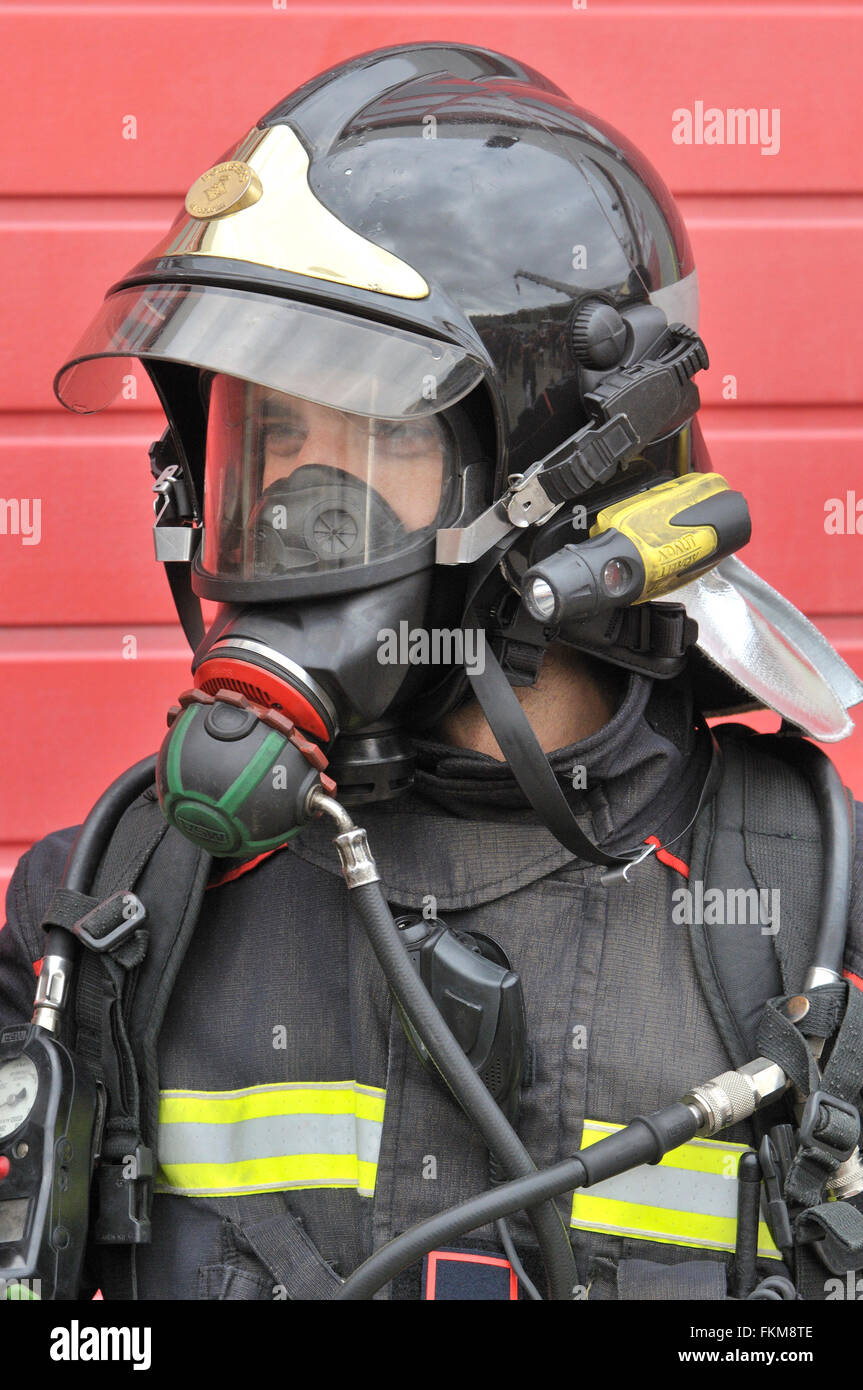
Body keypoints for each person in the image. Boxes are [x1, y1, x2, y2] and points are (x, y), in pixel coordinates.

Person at [2, 41, 863, 1303]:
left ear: (564, 462)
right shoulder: (99, 911)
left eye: (357, 426)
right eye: (269, 433)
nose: (291, 499)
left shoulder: (813, 923)